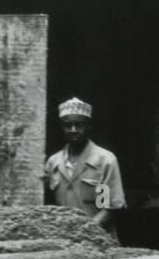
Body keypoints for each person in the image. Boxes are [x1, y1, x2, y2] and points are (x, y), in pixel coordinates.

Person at [44, 97, 125, 234]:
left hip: (98, 240)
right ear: (62, 127)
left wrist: (84, 231)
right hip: (61, 240)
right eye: (68, 125)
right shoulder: (53, 163)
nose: (73, 130)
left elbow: (107, 208)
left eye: (79, 124)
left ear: (88, 126)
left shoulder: (103, 161)